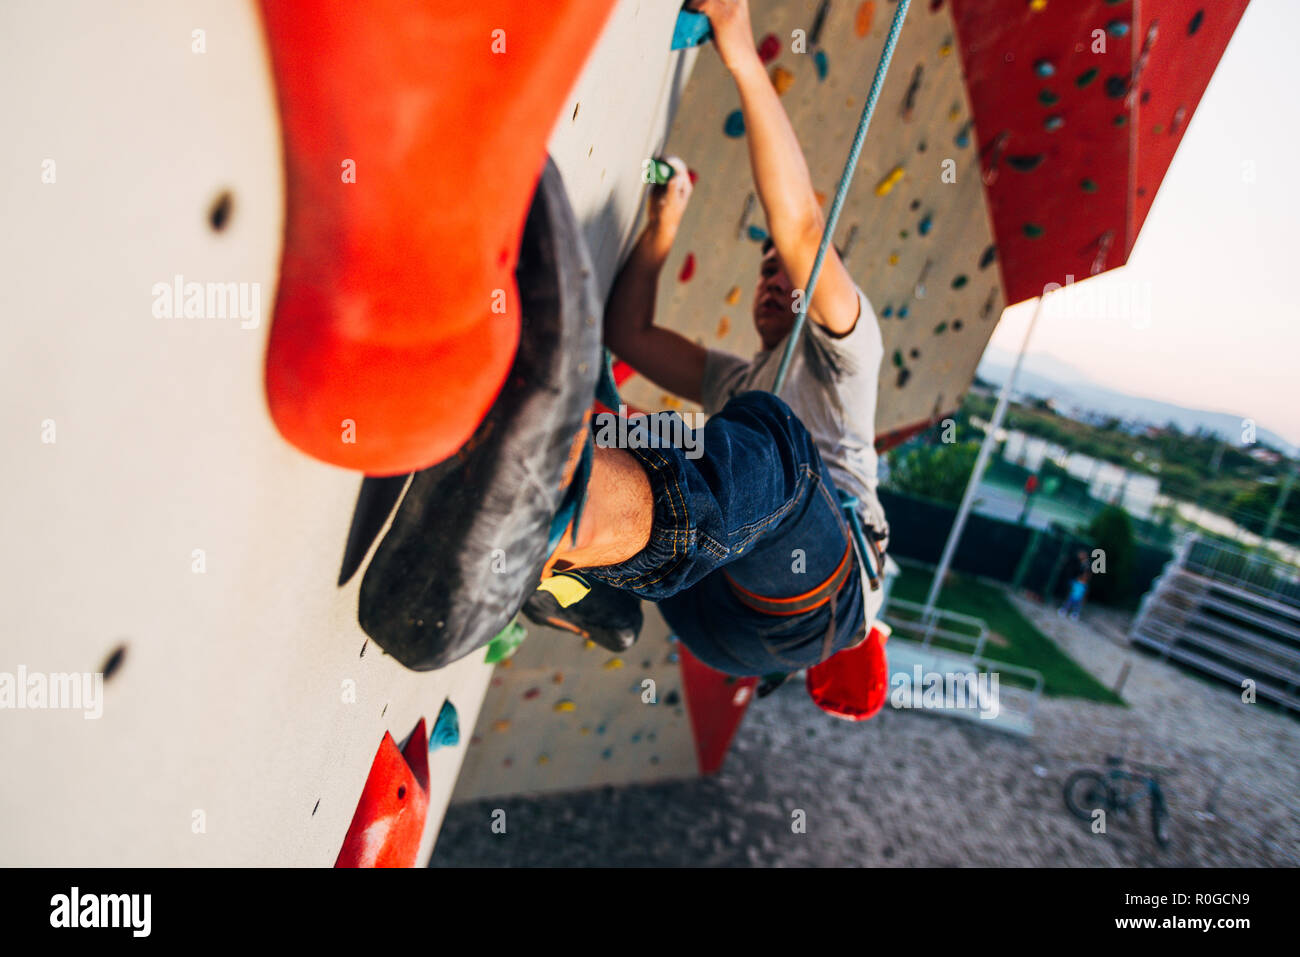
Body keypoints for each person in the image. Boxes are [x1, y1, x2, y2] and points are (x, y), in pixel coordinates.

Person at [525, 0, 890, 677]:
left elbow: (804, 231)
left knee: (774, 445)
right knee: (638, 426)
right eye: (765, 269)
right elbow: (628, 334)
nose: (775, 276)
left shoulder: (846, 352)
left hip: (814, 598)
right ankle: (591, 595)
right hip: (717, 616)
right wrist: (662, 231)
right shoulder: (736, 378)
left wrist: (742, 55)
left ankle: (563, 513)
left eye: (785, 268)